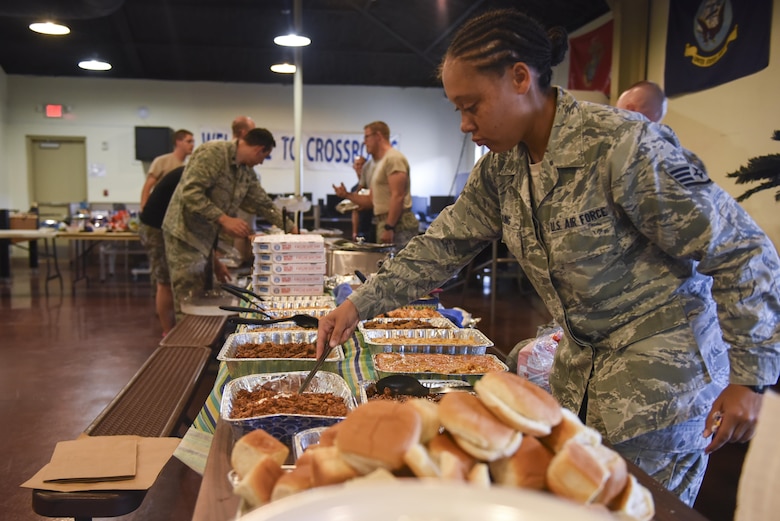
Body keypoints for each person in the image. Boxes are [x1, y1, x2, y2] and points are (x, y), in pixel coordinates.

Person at [317, 8, 780, 506]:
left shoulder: (623, 147)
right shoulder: (502, 168)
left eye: (472, 105)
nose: (466, 124)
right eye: (457, 111)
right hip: (581, 379)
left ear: (520, 78)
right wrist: (360, 303)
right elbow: (441, 245)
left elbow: (741, 250)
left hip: (661, 390)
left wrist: (751, 378)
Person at [162, 128, 293, 315]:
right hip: (186, 234)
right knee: (189, 299)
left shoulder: (245, 172)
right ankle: (184, 335)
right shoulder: (214, 153)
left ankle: (203, 333)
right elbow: (190, 193)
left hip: (207, 239)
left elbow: (262, 203)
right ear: (259, 150)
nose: (262, 162)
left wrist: (292, 228)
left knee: (204, 295)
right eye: (264, 157)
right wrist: (224, 219)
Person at [333, 121, 419, 248]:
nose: (364, 142)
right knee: (384, 260)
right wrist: (347, 195)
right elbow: (371, 201)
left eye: (367, 137)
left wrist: (389, 227)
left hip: (398, 223)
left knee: (400, 261)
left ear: (378, 136)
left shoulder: (393, 158)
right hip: (382, 222)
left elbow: (398, 196)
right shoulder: (373, 164)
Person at [138, 166, 185, 336]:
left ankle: (174, 328)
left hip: (165, 227)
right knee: (164, 281)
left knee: (170, 280)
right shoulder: (193, 174)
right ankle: (168, 332)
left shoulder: (190, 172)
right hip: (155, 228)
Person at [140, 129, 194, 210]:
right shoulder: (162, 161)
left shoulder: (188, 166)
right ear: (178, 142)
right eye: (189, 141)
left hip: (176, 208)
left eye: (193, 142)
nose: (192, 145)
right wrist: (144, 208)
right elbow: (147, 186)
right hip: (160, 206)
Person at [349, 155, 376, 242]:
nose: (360, 167)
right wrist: (354, 232)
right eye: (357, 164)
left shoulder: (374, 186)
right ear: (354, 166)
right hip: (361, 229)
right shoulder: (354, 189)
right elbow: (355, 211)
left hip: (374, 228)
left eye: (362, 164)